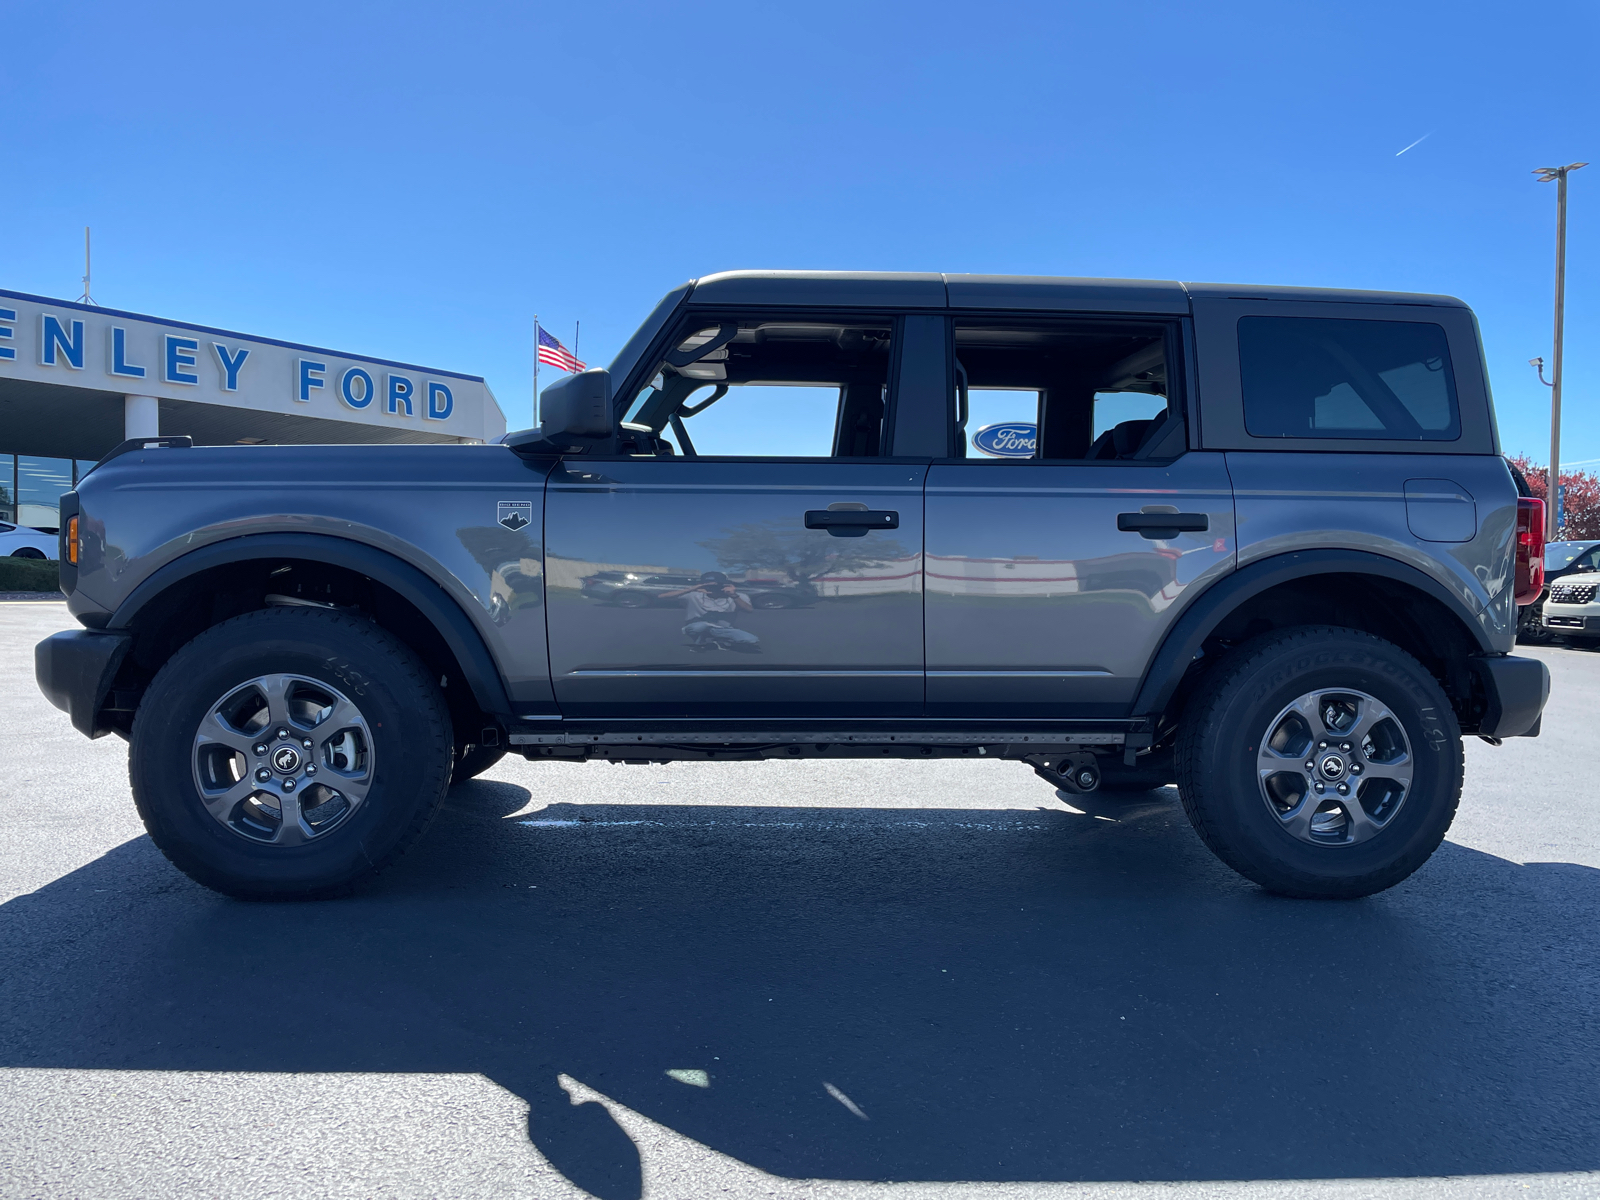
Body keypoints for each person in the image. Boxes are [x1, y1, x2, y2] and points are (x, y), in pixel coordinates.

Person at [658, 571, 762, 653]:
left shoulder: (738, 596)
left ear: (725, 584)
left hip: (723, 628)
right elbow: (662, 597)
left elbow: (749, 610)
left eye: (716, 585)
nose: (712, 588)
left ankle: (720, 640)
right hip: (697, 626)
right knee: (699, 626)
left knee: (751, 640)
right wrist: (693, 588)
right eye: (708, 585)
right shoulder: (694, 595)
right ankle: (701, 641)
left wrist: (733, 595)